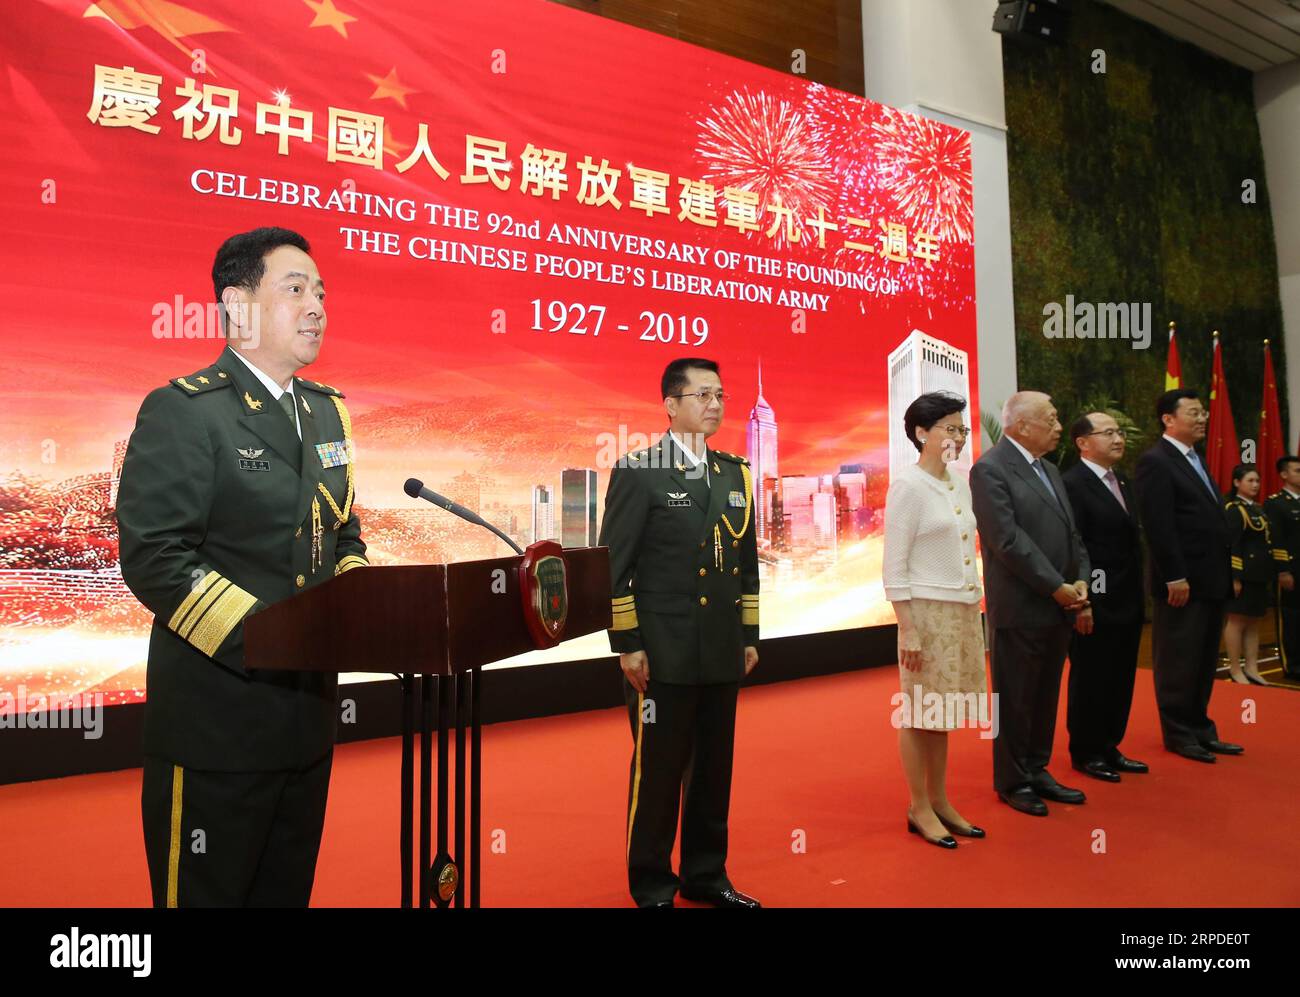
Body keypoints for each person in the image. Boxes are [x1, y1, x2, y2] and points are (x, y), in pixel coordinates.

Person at [117, 227, 368, 906]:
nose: (316, 305)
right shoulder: (186, 411)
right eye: (295, 289)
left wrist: (351, 606)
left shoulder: (327, 415)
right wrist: (270, 637)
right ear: (238, 304)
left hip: (306, 726)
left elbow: (345, 534)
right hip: (216, 728)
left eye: (320, 292)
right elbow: (155, 556)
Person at [598, 357, 761, 908]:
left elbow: (746, 564)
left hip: (718, 645)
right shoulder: (640, 470)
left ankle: (706, 876)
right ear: (670, 405)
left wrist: (749, 635)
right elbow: (614, 567)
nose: (714, 405)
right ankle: (651, 884)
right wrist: (628, 644)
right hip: (661, 652)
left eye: (720, 395)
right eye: (702, 395)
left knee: (714, 768)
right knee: (660, 771)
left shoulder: (734, 472)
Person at [970, 391, 1090, 817]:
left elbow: (1072, 534)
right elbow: (1006, 541)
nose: (1060, 428)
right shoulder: (990, 469)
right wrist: (1055, 585)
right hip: (1022, 604)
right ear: (1022, 425)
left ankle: (1037, 768)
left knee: (1044, 694)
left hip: (1058, 603)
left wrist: (1079, 580)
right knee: (1015, 697)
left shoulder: (1051, 471)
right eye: (1052, 420)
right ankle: (1012, 780)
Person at [883, 391, 987, 849]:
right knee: (918, 711)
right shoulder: (908, 486)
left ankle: (941, 799)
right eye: (949, 427)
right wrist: (908, 625)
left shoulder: (958, 483)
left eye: (962, 429)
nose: (958, 436)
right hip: (925, 614)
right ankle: (918, 805)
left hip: (962, 610)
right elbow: (894, 565)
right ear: (922, 433)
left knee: (942, 714)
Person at [1133, 389, 1241, 763]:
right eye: (1194, 412)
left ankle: (1200, 728)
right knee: (1179, 659)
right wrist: (1174, 575)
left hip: (1211, 578)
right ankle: (1179, 733)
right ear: (1168, 419)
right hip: (1183, 583)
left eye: (1203, 413)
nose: (1202, 419)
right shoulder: (1156, 461)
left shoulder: (1195, 458)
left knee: (1203, 658)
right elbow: (1159, 526)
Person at [1061, 412, 1148, 782]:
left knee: (1121, 674)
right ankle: (1086, 750)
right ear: (1083, 443)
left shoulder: (1122, 480)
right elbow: (1077, 547)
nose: (1118, 438)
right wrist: (1088, 600)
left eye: (1120, 432)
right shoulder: (1072, 484)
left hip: (1128, 596)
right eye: (1108, 433)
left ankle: (1110, 744)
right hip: (1095, 598)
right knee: (1092, 675)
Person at [1222, 464, 1286, 685]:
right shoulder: (1233, 509)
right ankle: (1234, 667)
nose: (1255, 485)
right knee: (1237, 621)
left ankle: (1252, 666)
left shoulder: (1258, 508)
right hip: (1243, 574)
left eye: (1257, 481)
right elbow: (1232, 544)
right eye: (1250, 480)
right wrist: (1234, 576)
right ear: (1237, 483)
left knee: (1254, 622)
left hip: (1260, 574)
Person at [1262, 456, 1300, 680]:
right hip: (1292, 570)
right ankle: (1292, 664)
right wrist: (1283, 570)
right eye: (1297, 470)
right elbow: (1276, 540)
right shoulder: (1276, 503)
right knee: (1291, 618)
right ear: (1284, 475)